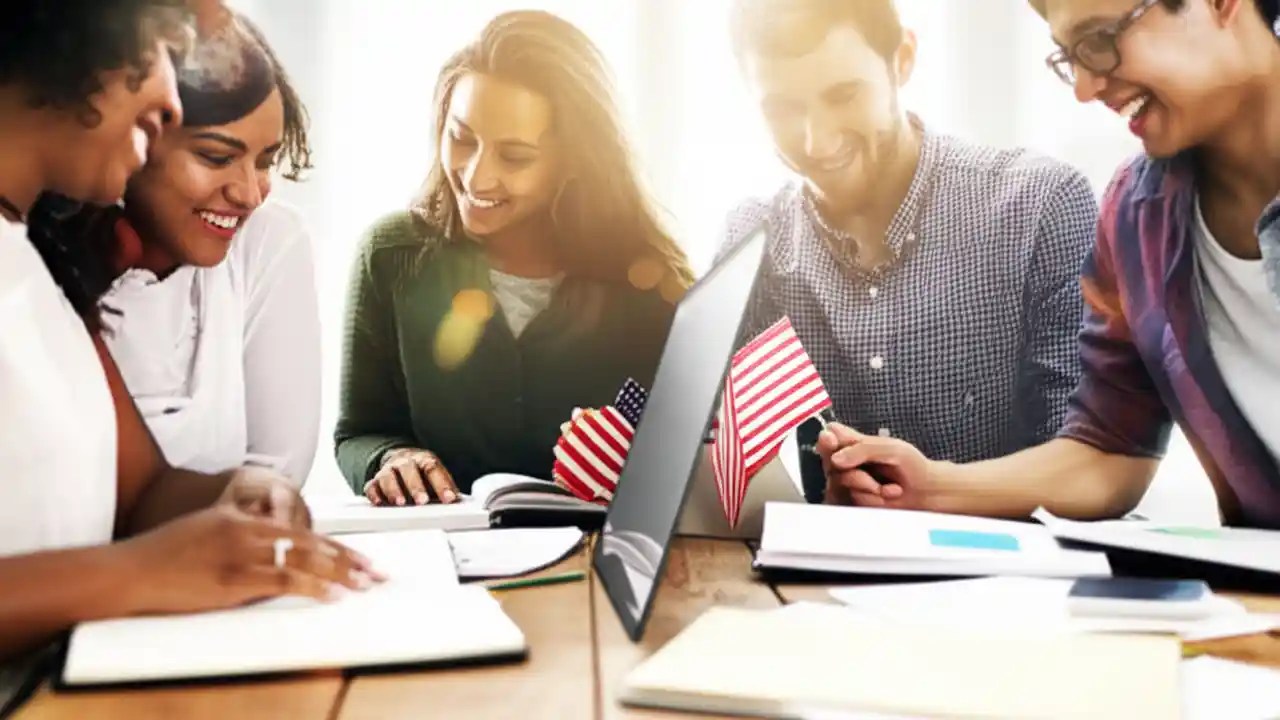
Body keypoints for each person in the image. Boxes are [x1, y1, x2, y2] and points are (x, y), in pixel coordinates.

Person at [0, 3, 374, 713]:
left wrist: (235, 494)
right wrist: (137, 574)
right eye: (159, 46)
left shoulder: (34, 263)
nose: (172, 98)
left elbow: (143, 491)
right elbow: (134, 548)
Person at [819, 0, 1280, 529]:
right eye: (1069, 58)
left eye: (1100, 40)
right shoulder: (1135, 216)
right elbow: (1110, 450)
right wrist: (930, 486)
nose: (1085, 88)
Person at [719, 0, 1099, 501]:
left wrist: (935, 493)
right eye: (782, 108)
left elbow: (1081, 458)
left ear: (901, 60)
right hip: (822, 548)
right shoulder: (755, 242)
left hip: (1008, 548)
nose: (817, 142)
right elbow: (724, 468)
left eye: (844, 95)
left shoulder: (1040, 206)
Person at [335, 10, 694, 505]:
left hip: (594, 547)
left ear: (574, 161)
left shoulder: (649, 286)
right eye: (462, 139)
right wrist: (392, 457)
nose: (476, 177)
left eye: (516, 156)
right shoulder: (390, 256)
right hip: (437, 545)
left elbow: (688, 455)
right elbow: (359, 433)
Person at [29, 11, 321, 484]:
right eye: (216, 157)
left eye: (266, 161)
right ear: (135, 133)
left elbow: (276, 479)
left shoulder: (270, 243)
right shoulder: (39, 263)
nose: (249, 193)